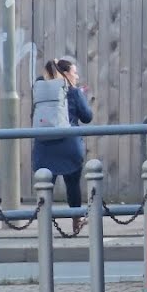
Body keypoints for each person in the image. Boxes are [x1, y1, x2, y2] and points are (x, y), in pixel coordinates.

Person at [30, 57, 94, 235]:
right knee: (72, 185)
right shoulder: (72, 92)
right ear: (65, 74)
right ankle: (76, 220)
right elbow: (87, 116)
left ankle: (44, 227)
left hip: (44, 147)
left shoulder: (40, 92)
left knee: (45, 187)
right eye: (74, 72)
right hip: (69, 147)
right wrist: (79, 93)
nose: (77, 76)